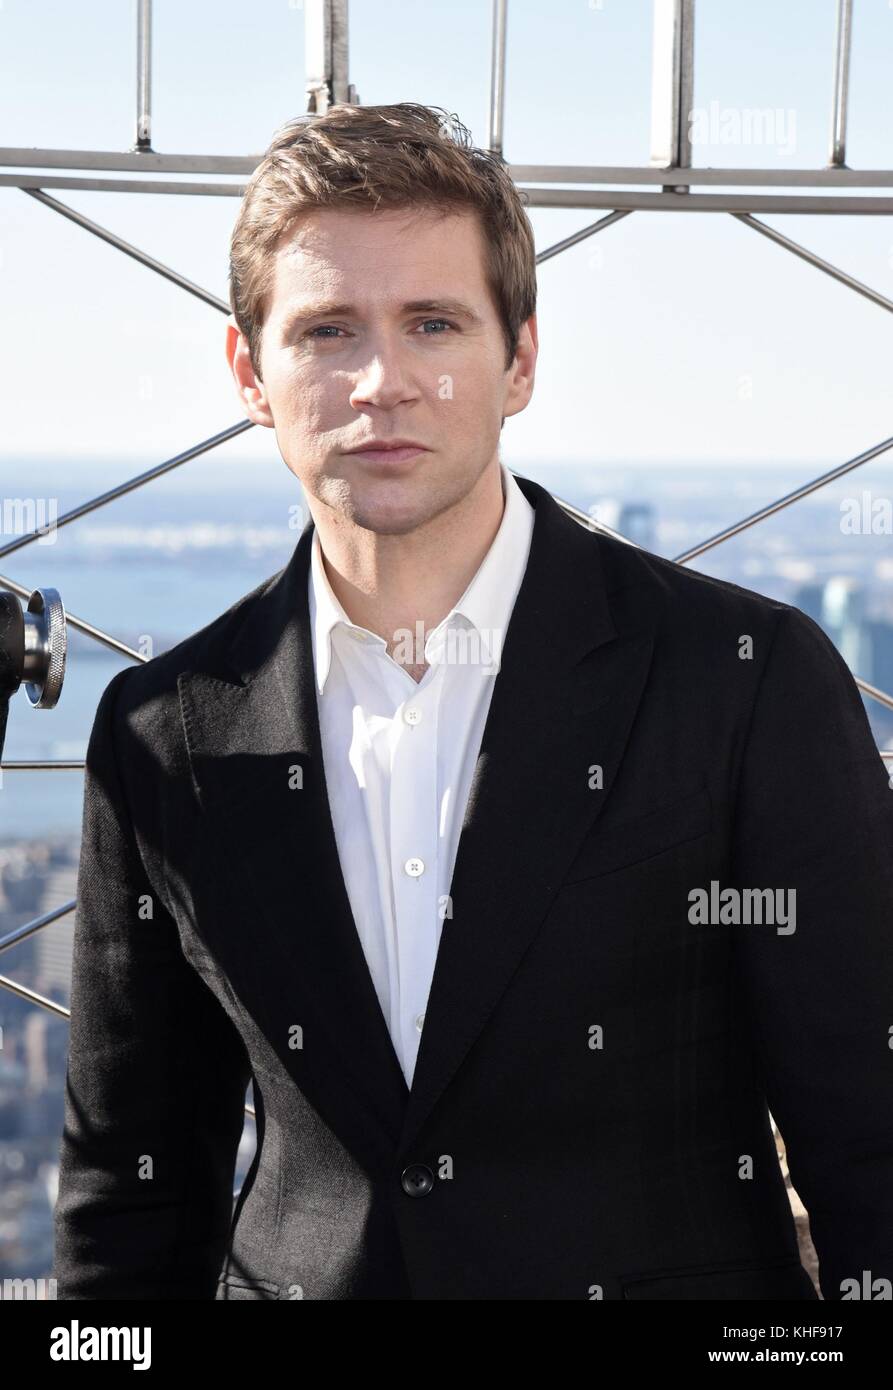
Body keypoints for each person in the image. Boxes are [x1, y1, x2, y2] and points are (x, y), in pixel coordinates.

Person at [53, 102, 893, 1301]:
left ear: (520, 361)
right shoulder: (160, 728)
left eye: (432, 323)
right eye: (327, 330)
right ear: (251, 372)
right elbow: (130, 1196)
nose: (381, 382)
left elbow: (866, 1130)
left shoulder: (745, 679)